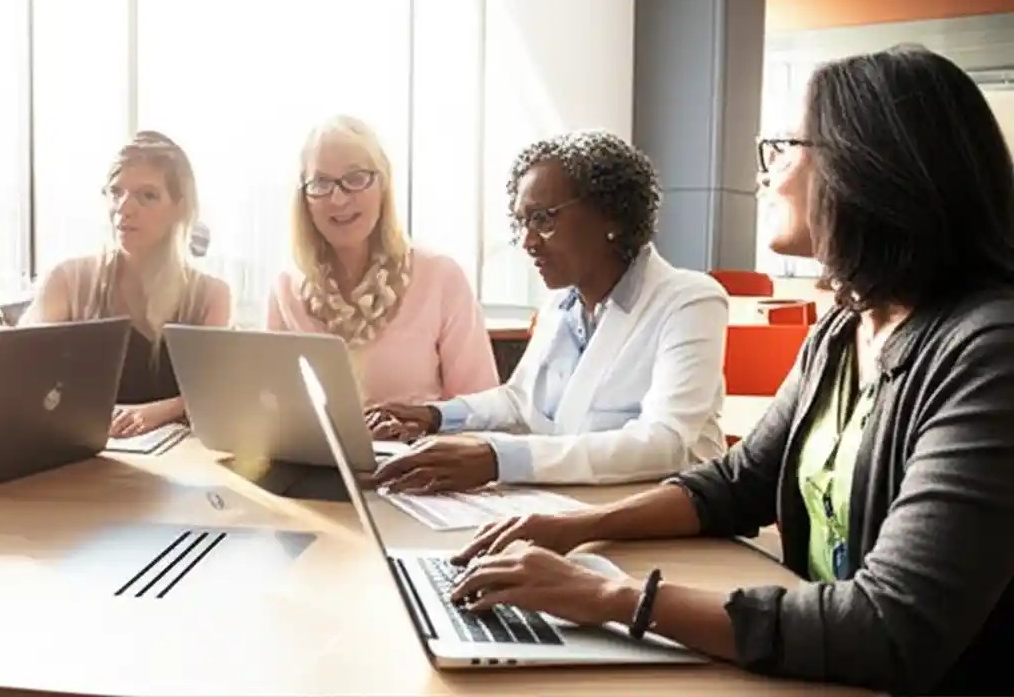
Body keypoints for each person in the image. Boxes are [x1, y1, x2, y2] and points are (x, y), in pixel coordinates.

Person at [446, 45, 1014, 695]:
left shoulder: (989, 353)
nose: (764, 175)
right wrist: (578, 527)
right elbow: (738, 483)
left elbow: (891, 626)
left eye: (784, 150)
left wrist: (615, 598)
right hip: (819, 669)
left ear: (867, 165)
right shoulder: (844, 329)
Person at [366, 130, 728, 492]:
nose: (528, 242)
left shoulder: (689, 301)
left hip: (660, 509)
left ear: (612, 215)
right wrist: (433, 415)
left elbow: (664, 443)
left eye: (543, 219)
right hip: (570, 499)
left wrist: (498, 459)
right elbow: (521, 401)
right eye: (522, 223)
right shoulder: (562, 303)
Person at [265, 115, 498, 406]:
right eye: (321, 183)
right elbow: (271, 408)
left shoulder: (441, 277)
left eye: (355, 179)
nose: (338, 199)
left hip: (422, 438)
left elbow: (481, 409)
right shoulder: (285, 290)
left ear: (383, 185)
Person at [21, 131, 231, 437]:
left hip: (175, 455)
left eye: (147, 196)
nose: (124, 208)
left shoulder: (210, 296)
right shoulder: (68, 281)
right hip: (80, 447)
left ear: (180, 207)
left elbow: (217, 392)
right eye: (116, 192)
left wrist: (156, 412)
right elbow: (23, 378)